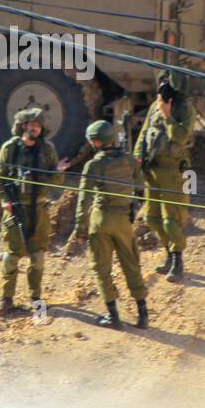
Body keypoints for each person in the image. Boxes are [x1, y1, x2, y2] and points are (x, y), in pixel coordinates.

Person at [67, 120, 148, 330]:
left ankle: (113, 316)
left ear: (96, 142)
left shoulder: (93, 165)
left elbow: (84, 199)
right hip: (123, 221)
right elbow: (141, 187)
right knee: (131, 265)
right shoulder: (129, 160)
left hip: (101, 220)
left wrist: (79, 228)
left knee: (101, 268)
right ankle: (143, 314)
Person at [0, 107, 59, 316]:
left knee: (37, 257)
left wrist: (59, 173)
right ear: (23, 126)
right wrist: (4, 201)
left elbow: (56, 179)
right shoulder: (10, 148)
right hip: (14, 209)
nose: (35, 129)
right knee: (11, 256)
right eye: (32, 125)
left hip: (38, 210)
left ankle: (36, 300)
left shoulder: (47, 149)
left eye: (38, 126)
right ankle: (6, 300)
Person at [134, 70, 196, 283]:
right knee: (152, 218)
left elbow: (180, 137)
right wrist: (137, 161)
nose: (162, 87)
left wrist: (168, 115)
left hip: (173, 172)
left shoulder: (185, 109)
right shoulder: (155, 107)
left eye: (167, 83)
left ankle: (178, 261)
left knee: (171, 221)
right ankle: (169, 255)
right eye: (161, 83)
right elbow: (144, 134)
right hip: (152, 170)